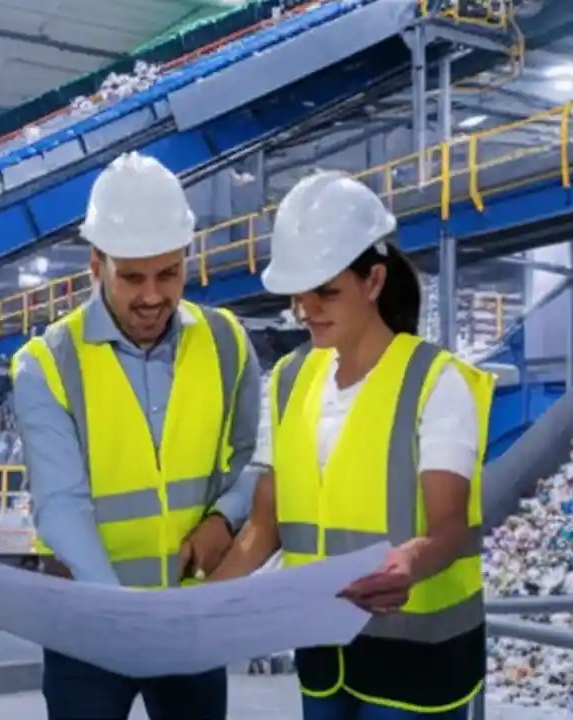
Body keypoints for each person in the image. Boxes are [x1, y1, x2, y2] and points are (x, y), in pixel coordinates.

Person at [209, 170, 494, 720]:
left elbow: (449, 527)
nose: (307, 309)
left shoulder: (435, 382)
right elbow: (265, 527)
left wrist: (410, 563)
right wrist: (196, 607)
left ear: (374, 281)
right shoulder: (290, 381)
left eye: (327, 291)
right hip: (323, 657)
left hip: (417, 662)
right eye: (299, 294)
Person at [10, 151, 263, 720]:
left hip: (190, 619)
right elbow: (61, 505)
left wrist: (225, 516)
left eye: (168, 274)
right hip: (88, 627)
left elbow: (253, 455)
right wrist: (122, 618)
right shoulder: (47, 363)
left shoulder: (226, 342)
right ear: (96, 264)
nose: (152, 296)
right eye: (132, 277)